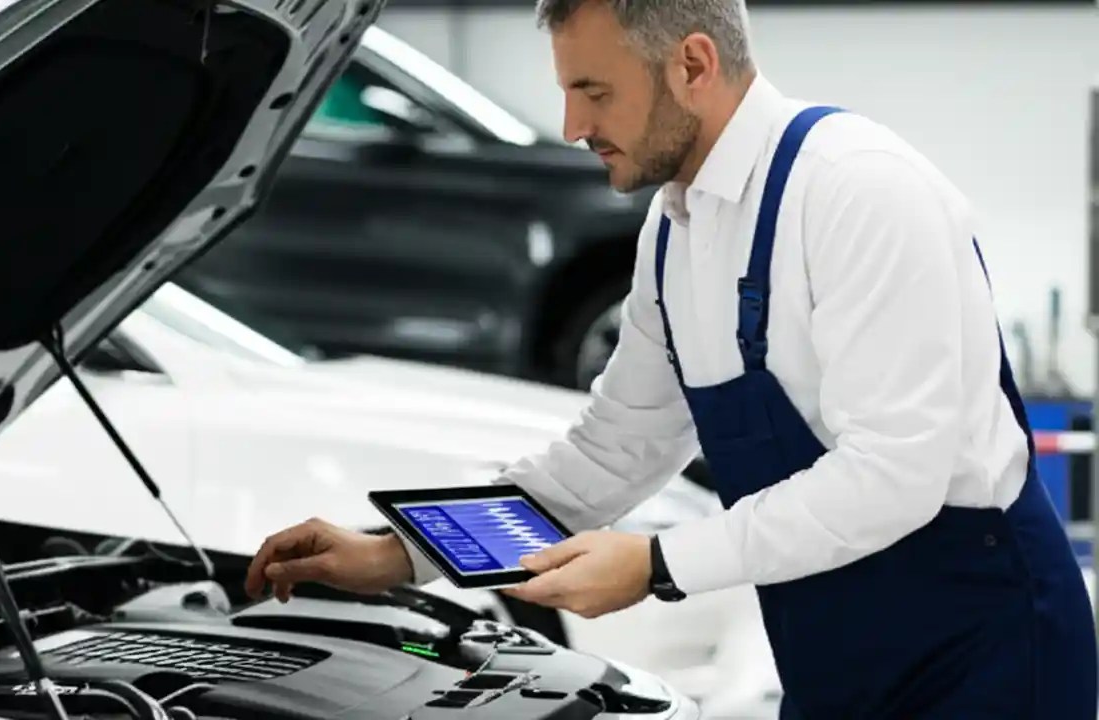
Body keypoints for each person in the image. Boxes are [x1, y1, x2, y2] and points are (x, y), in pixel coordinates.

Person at [245, 0, 1099, 716]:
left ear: (693, 64)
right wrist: (397, 552)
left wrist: (656, 566)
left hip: (984, 657)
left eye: (594, 91)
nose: (574, 127)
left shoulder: (859, 190)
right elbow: (611, 452)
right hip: (836, 667)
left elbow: (893, 476)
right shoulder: (674, 228)